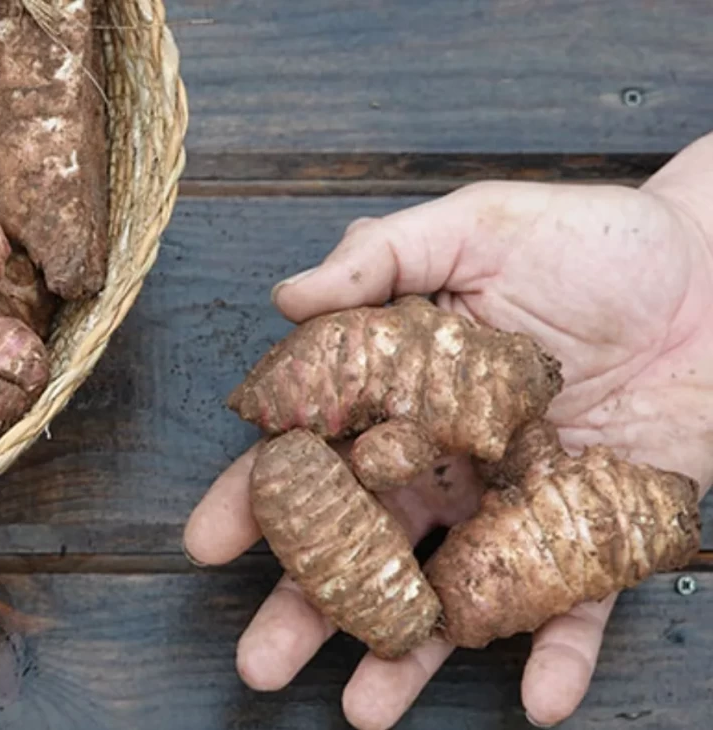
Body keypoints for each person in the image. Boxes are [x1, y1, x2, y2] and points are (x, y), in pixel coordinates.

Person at [184, 131, 713, 730]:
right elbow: (387, 459)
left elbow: (401, 461)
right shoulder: (475, 412)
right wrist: (696, 229)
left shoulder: (502, 434)